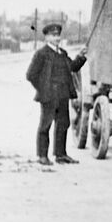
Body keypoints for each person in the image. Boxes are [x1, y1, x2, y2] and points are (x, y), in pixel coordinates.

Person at [26, 23, 87, 166]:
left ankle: (61, 155)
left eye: (58, 35)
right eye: (53, 35)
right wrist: (42, 89)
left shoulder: (63, 54)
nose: (57, 38)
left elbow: (72, 68)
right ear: (47, 37)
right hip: (48, 96)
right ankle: (42, 156)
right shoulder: (41, 54)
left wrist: (81, 56)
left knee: (63, 124)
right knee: (45, 125)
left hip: (63, 95)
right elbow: (31, 75)